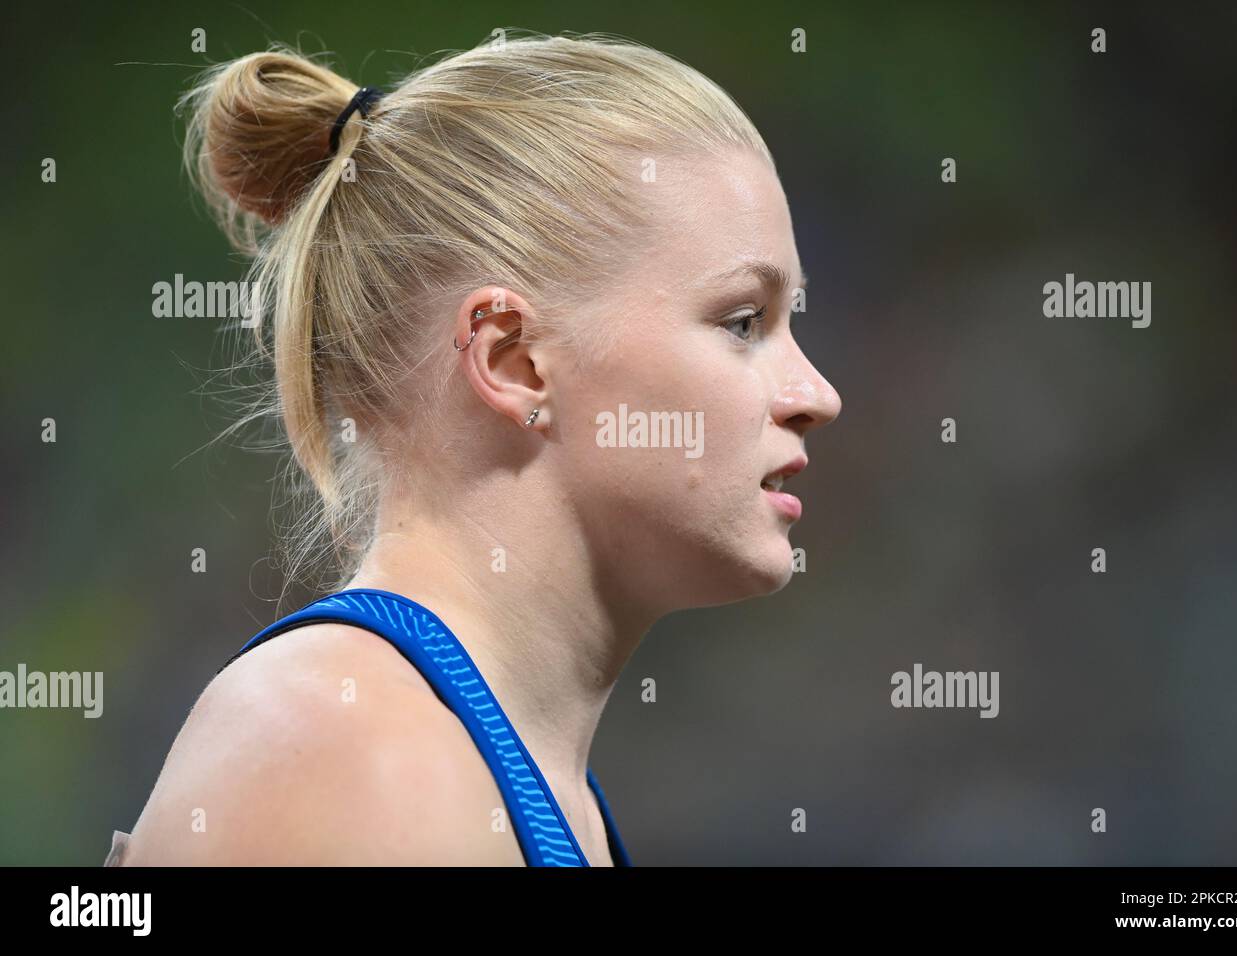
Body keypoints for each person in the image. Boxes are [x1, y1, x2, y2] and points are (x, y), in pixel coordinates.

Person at [114, 30, 840, 866]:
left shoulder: (497, 770)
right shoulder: (355, 753)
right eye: (744, 322)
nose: (817, 395)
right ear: (512, 360)